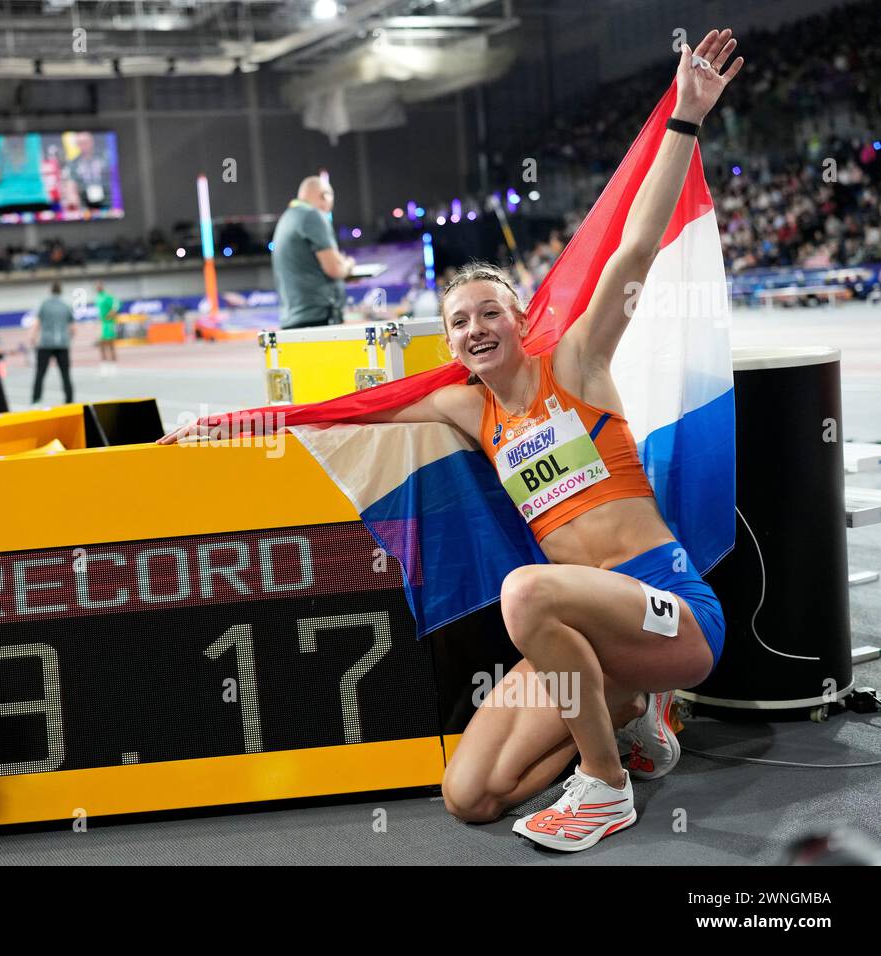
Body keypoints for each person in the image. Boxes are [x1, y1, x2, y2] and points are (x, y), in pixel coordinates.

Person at [161, 29, 743, 851]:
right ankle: (622, 718)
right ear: (449, 345)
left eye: (489, 312)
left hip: (668, 613)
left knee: (525, 592)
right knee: (471, 794)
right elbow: (337, 416)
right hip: (578, 641)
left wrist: (684, 118)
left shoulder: (576, 364)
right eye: (458, 321)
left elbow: (635, 248)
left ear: (520, 322)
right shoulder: (466, 412)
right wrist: (222, 430)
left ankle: (606, 785)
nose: (475, 328)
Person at [271, 177, 356, 329]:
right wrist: (348, 266)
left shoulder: (287, 218)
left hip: (294, 318)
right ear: (324, 196)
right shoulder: (312, 216)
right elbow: (334, 269)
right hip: (317, 317)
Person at [30, 282, 75, 406]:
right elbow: (73, 328)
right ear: (61, 291)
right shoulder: (66, 306)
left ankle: (36, 400)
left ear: (51, 291)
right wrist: (68, 340)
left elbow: (37, 323)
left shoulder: (44, 304)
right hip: (62, 344)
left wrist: (32, 337)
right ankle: (69, 400)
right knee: (65, 374)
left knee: (40, 373)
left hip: (45, 344)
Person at [95, 280, 119, 376]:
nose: (98, 288)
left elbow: (116, 305)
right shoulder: (97, 298)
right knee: (101, 345)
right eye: (96, 287)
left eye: (99, 286)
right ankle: (104, 366)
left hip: (109, 324)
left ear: (102, 287)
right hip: (102, 324)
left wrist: (111, 315)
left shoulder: (107, 297)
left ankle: (113, 367)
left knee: (110, 345)